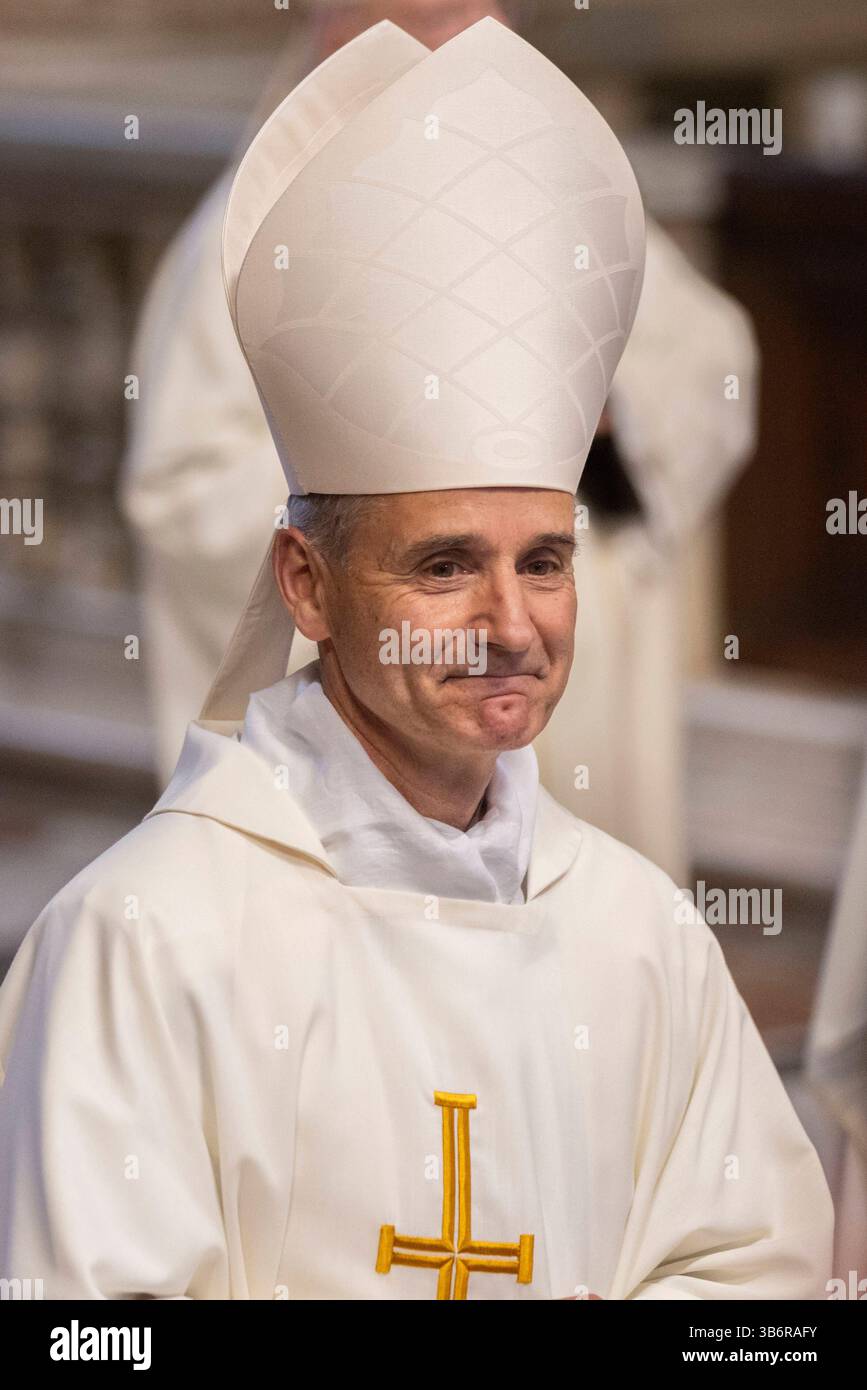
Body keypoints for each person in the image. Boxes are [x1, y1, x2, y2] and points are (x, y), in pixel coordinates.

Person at [0, 17, 828, 1300]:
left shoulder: (643, 935)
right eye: (444, 564)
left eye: (545, 560)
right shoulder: (143, 940)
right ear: (304, 582)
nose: (510, 625)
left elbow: (755, 1286)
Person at [120, 0, 759, 883]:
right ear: (333, 39)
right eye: (424, 34)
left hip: (579, 695)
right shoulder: (262, 231)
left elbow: (706, 367)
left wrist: (605, 415)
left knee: (586, 936)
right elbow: (186, 493)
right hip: (386, 723)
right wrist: (396, 460)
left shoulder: (558, 193)